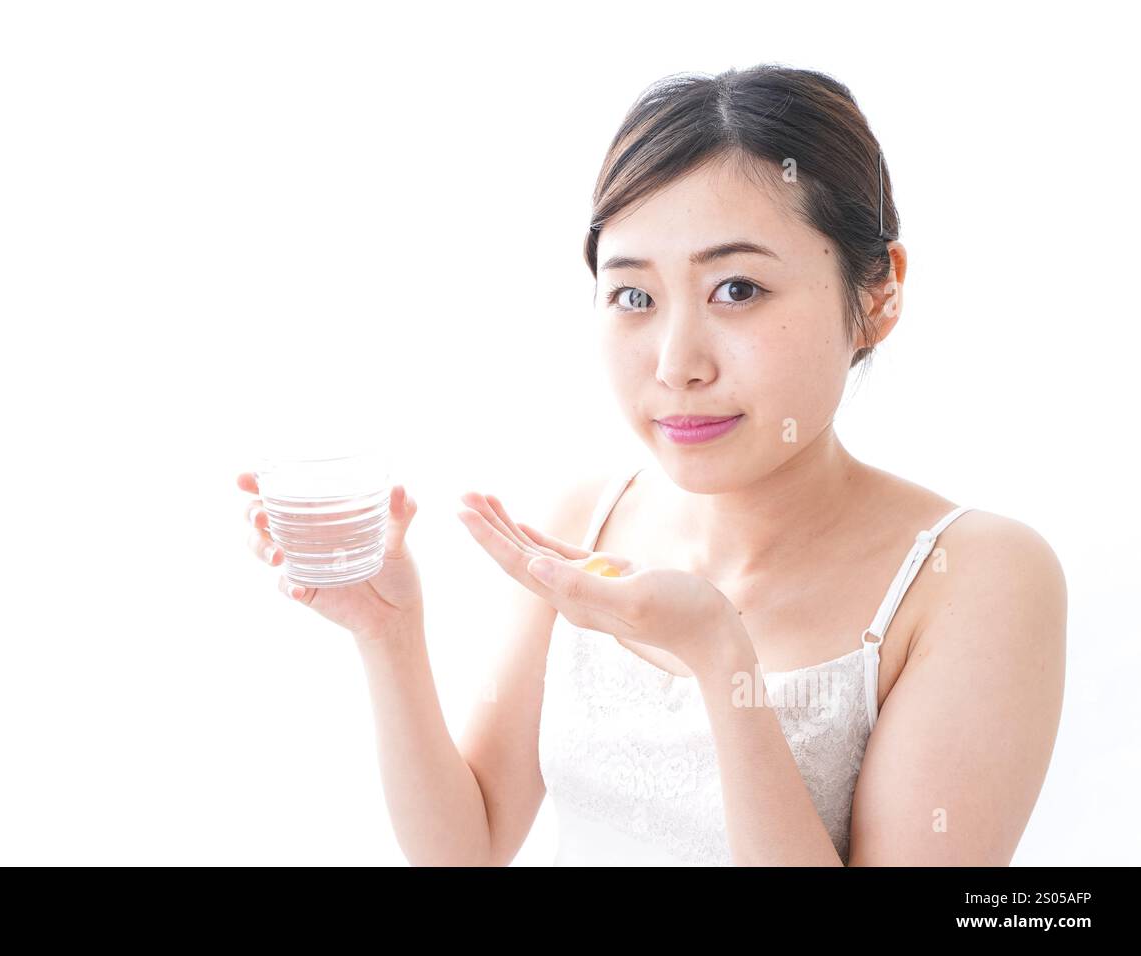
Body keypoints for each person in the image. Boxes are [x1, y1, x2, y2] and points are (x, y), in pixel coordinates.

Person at [235, 65, 1067, 866]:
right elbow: (468, 846)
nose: (677, 364)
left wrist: (720, 659)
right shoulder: (584, 520)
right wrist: (388, 634)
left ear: (878, 295)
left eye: (737, 289)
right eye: (634, 296)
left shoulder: (976, 575)